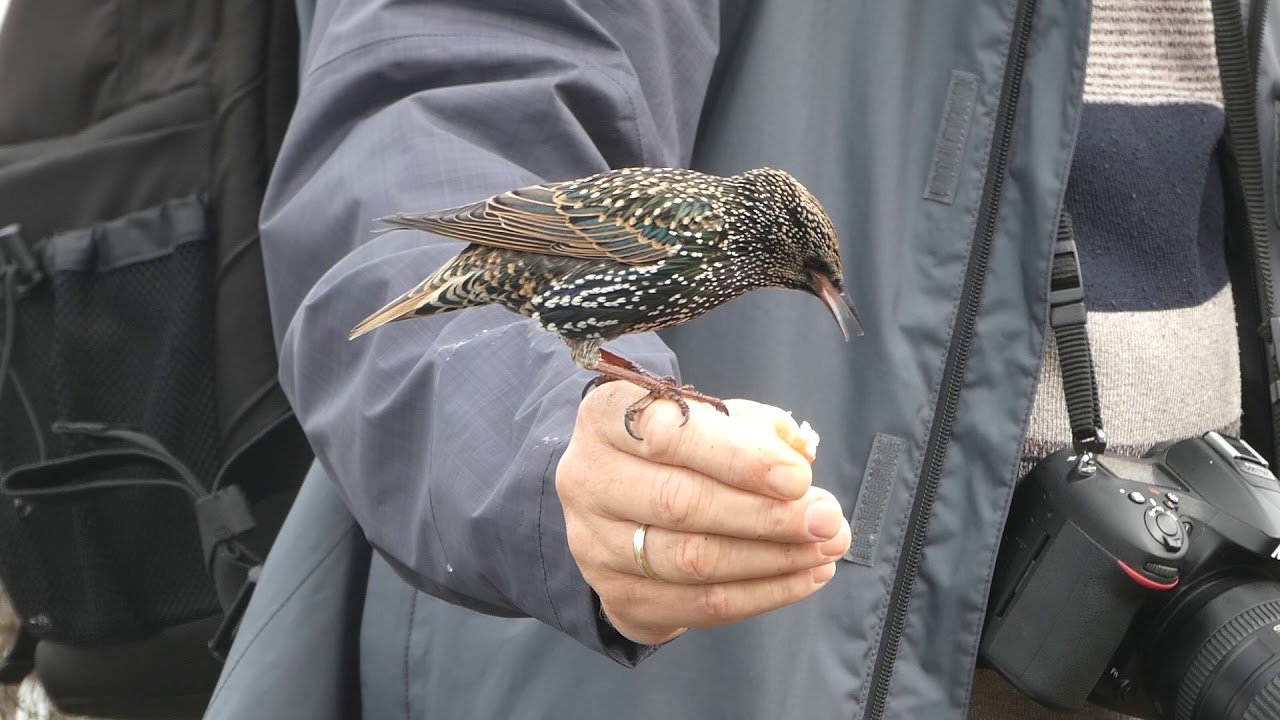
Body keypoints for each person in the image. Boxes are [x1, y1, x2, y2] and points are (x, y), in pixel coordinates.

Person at [205, 1, 1268, 718]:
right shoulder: (685, 237)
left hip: (1166, 622)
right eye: (813, 276)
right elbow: (450, 87)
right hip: (739, 657)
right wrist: (553, 423)